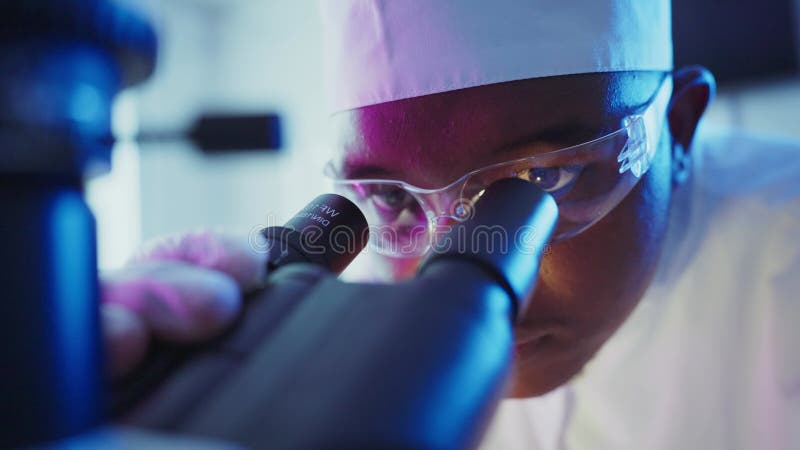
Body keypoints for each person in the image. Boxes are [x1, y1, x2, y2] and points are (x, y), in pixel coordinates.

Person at [101, 0, 800, 448]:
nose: (450, 255)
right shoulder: (348, 336)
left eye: (542, 179)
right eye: (393, 200)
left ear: (678, 129)